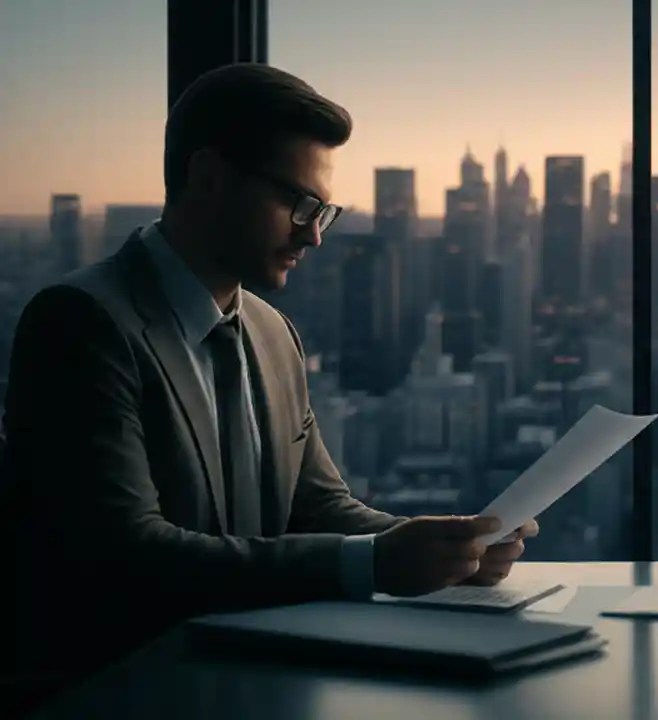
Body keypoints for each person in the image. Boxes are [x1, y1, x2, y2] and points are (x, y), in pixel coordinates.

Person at [0, 63, 536, 695]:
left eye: (325, 212)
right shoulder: (81, 324)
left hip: (256, 681)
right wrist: (375, 562)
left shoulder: (273, 334)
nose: (313, 234)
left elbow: (314, 506)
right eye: (299, 204)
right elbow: (127, 556)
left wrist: (446, 551)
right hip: (114, 694)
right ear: (208, 179)